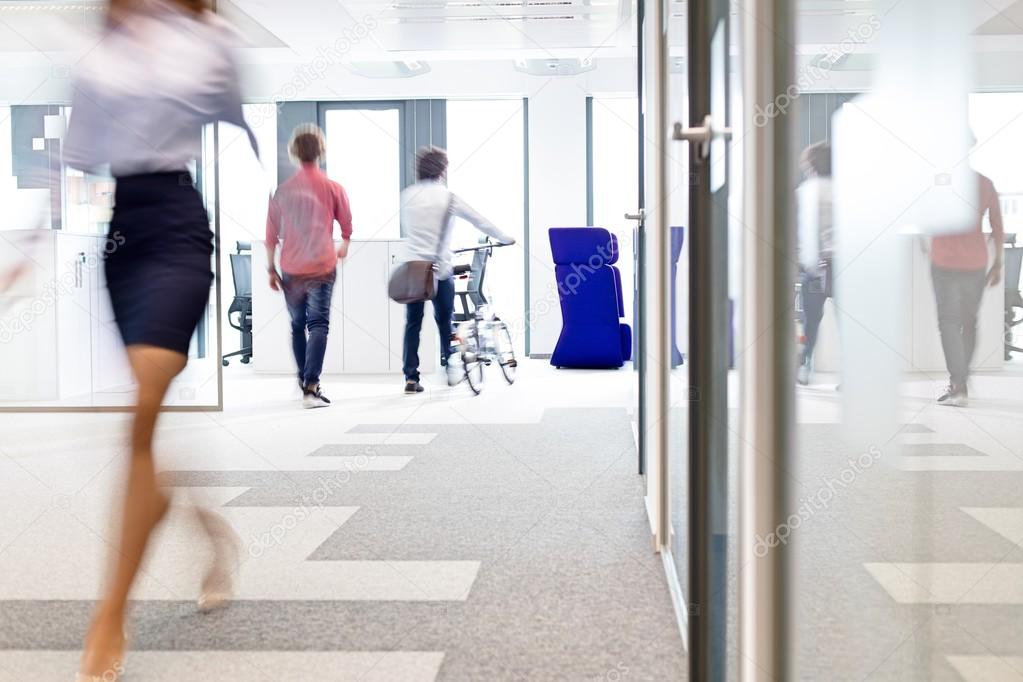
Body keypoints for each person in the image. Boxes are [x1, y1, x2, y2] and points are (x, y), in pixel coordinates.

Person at [61, 0, 256, 678]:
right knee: (145, 427)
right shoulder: (101, 58)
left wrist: (190, 34)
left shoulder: (201, 41)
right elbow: (76, 156)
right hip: (124, 233)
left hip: (177, 225)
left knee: (141, 413)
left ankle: (110, 612)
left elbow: (224, 94)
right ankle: (212, 534)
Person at [400, 146, 515, 394]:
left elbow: (413, 231)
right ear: (442, 170)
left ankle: (411, 377)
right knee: (445, 320)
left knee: (413, 324)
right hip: (439, 269)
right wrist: (505, 238)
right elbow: (479, 221)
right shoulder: (448, 198)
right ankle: (451, 365)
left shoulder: (407, 195)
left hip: (413, 269)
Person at [265, 124, 352, 408]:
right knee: (318, 325)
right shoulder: (333, 188)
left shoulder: (282, 191)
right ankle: (311, 386)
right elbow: (347, 224)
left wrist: (270, 269)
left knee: (297, 325)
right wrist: (344, 244)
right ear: (321, 153)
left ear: (293, 154)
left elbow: (270, 234)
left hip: (291, 268)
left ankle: (304, 381)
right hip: (322, 267)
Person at [930, 161, 1004, 407]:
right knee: (969, 322)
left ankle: (958, 384)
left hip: (944, 260)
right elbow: (997, 225)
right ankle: (960, 381)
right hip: (975, 262)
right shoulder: (985, 183)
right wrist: (999, 263)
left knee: (949, 321)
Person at [795, 141, 834, 386]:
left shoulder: (806, 191)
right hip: (843, 263)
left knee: (810, 319)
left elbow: (802, 230)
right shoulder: (845, 189)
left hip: (816, 264)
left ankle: (805, 365)